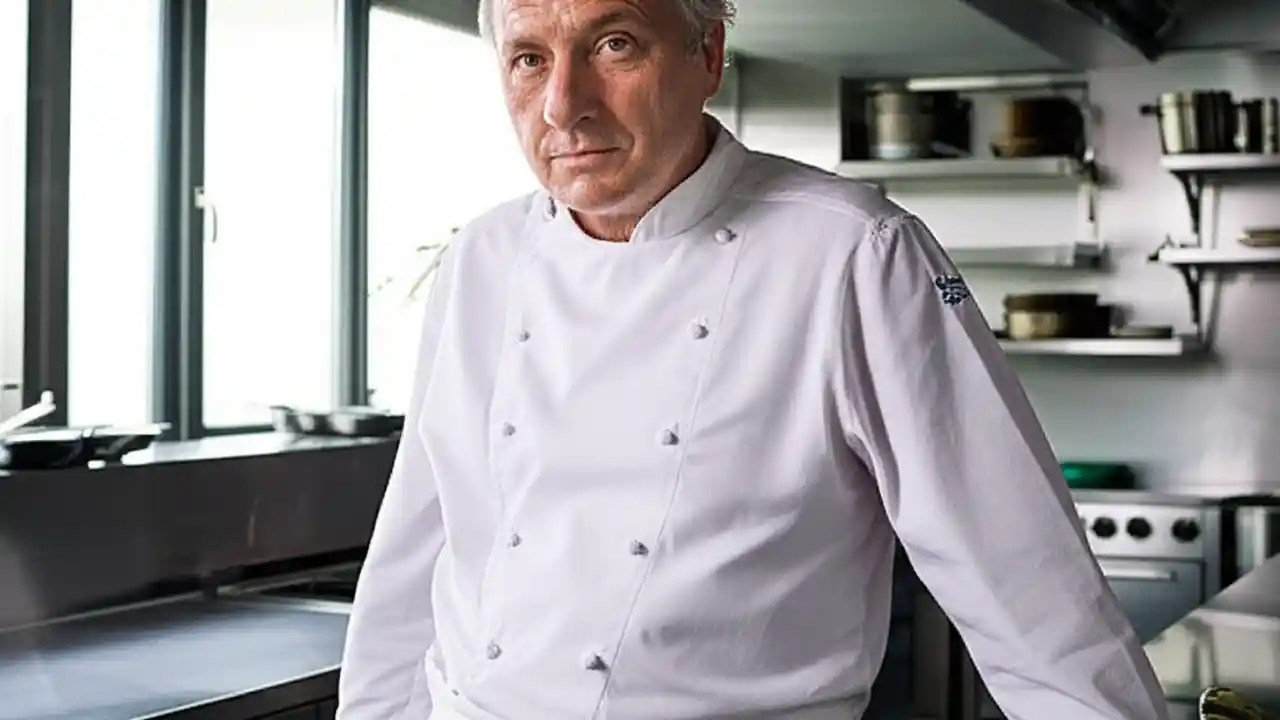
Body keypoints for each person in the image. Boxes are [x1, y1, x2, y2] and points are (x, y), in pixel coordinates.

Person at [338, 0, 1170, 718]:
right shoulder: (482, 258)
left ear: (709, 54)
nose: (564, 106)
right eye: (529, 58)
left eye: (614, 43)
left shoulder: (854, 254)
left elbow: (1025, 582)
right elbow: (417, 555)